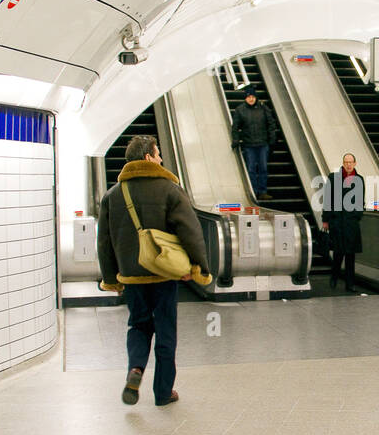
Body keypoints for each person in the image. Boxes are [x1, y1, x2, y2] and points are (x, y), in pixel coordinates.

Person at [97, 134, 212, 407]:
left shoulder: (113, 195)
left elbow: (104, 241)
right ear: (148, 157)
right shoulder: (170, 189)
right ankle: (163, 392)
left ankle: (135, 369)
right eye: (158, 153)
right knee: (165, 330)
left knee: (138, 324)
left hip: (132, 275)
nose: (161, 158)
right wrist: (198, 267)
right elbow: (190, 231)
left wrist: (112, 278)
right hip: (163, 273)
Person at [321, 153, 365, 293]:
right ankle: (334, 276)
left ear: (355, 163)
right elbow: (328, 199)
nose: (348, 165)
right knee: (339, 253)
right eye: (346, 162)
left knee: (350, 255)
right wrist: (326, 219)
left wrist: (357, 216)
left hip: (351, 223)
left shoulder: (359, 180)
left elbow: (360, 200)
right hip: (337, 222)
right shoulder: (334, 178)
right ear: (343, 163)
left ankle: (349, 284)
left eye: (351, 162)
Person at [230, 90, 279, 200]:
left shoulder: (263, 108)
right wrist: (235, 140)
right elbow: (235, 127)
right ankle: (253, 191)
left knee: (263, 168)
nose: (251, 99)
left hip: (263, 143)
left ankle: (262, 191)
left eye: (253, 97)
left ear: (256, 97)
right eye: (248, 97)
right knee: (251, 168)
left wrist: (272, 139)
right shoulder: (240, 110)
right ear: (245, 98)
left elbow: (271, 124)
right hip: (249, 144)